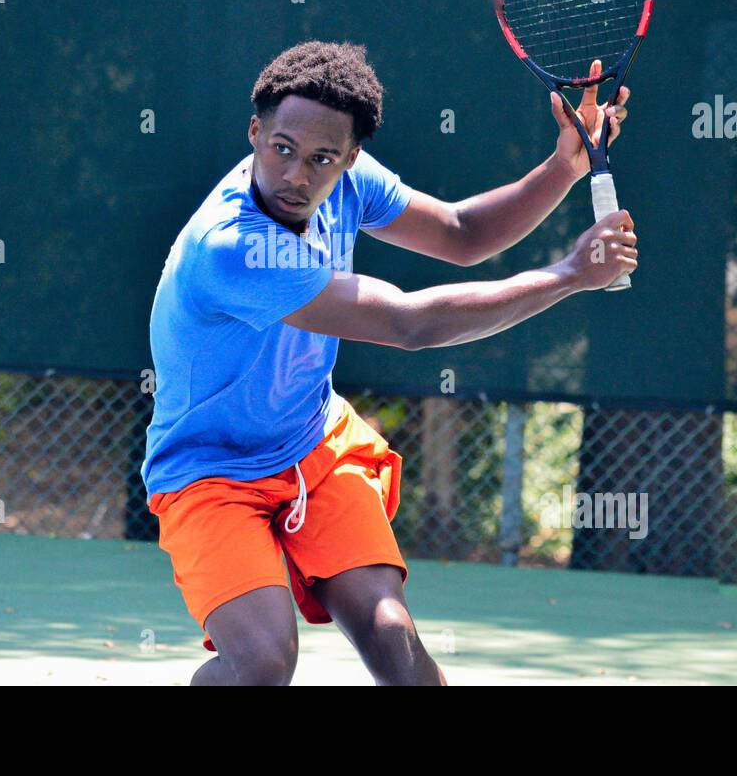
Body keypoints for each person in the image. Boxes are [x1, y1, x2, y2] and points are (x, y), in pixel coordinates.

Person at [143, 40, 636, 685]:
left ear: (350, 158)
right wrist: (570, 274)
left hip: (312, 445)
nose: (296, 174)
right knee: (262, 661)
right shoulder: (234, 248)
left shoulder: (349, 181)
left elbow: (461, 233)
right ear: (255, 130)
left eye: (322, 158)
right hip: (210, 472)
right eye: (282, 148)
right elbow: (411, 323)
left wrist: (562, 169)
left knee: (393, 640)